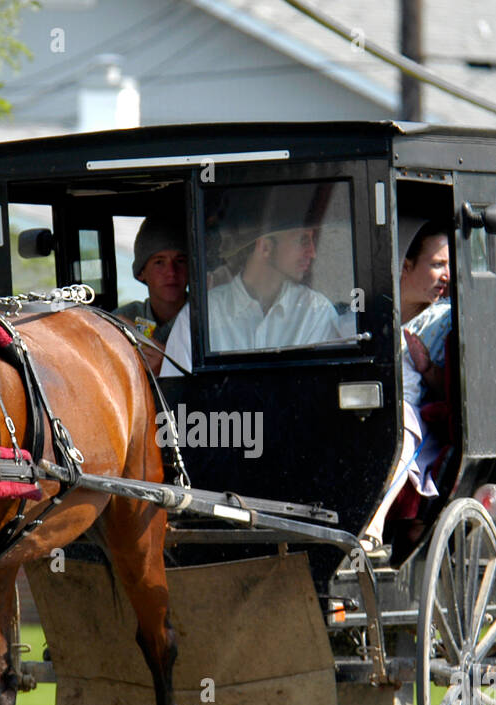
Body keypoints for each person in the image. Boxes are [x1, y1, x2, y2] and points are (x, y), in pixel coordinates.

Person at [160, 196, 343, 376]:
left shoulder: (316, 312)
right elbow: (178, 398)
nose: (312, 253)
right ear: (265, 247)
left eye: (312, 240)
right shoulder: (200, 318)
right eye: (302, 240)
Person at [359, 221, 452, 558]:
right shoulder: (366, 313)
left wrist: (426, 367)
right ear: (406, 265)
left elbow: (455, 389)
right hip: (362, 407)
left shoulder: (447, 320)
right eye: (438, 264)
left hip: (419, 422)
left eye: (448, 266)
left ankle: (373, 522)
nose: (447, 275)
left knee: (402, 425)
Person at [116, 216, 188, 374]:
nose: (171, 272)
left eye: (180, 261)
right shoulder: (126, 317)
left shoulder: (208, 321)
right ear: (142, 272)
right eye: (159, 262)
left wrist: (169, 369)